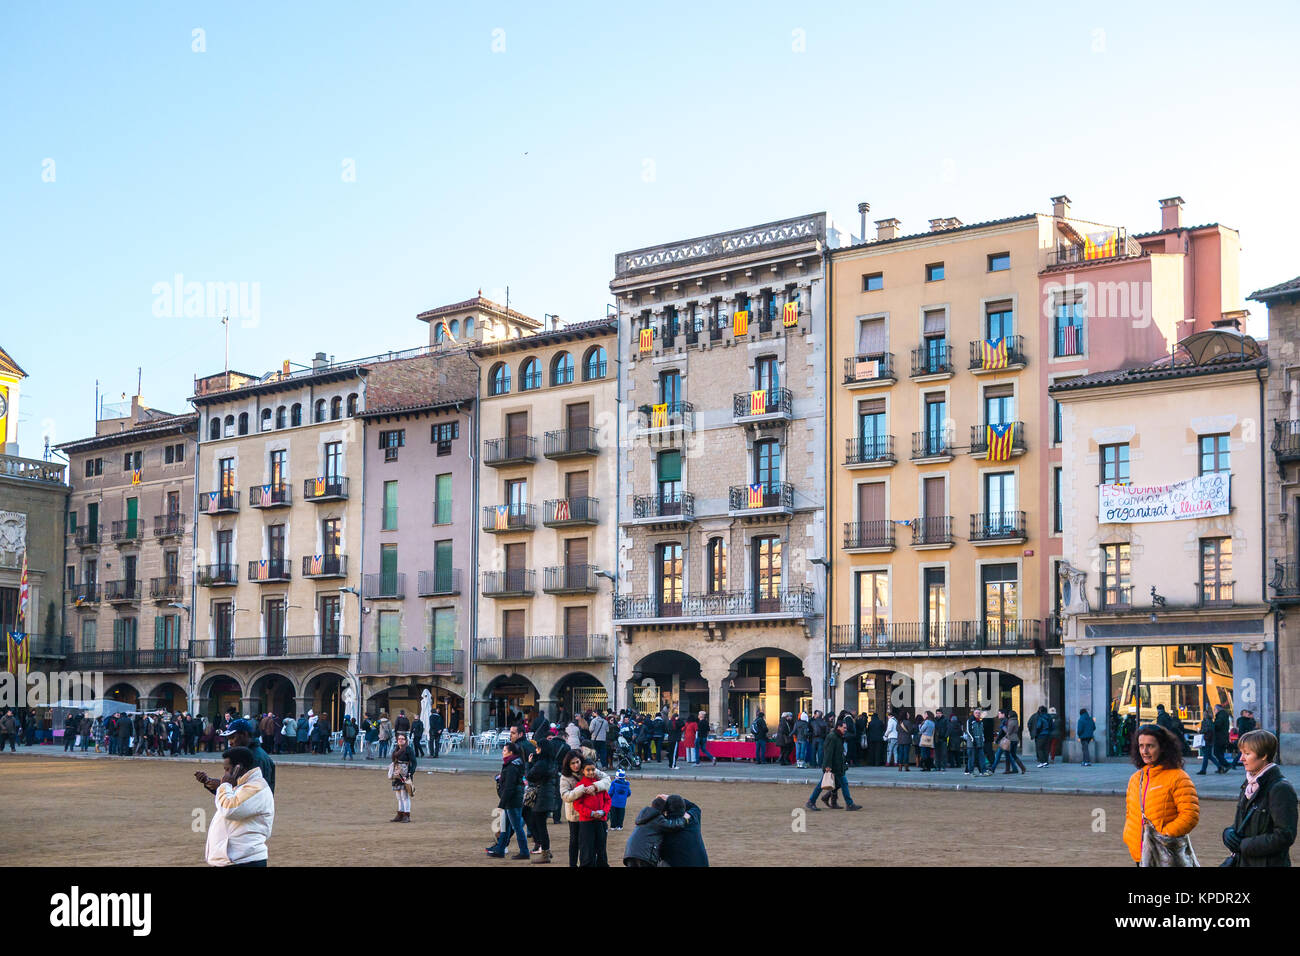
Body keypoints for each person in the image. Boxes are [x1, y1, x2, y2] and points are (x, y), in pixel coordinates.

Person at [1123, 723, 1199, 866]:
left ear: (1163, 747)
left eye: (1150, 746)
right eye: (1141, 746)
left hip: (1166, 855)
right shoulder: (1135, 778)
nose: (1144, 751)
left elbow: (1190, 815)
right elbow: (1130, 812)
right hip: (1139, 853)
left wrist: (1166, 834)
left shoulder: (1178, 777)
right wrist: (1128, 835)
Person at [1222, 730, 1297, 866]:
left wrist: (1244, 845)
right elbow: (1245, 823)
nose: (1241, 759)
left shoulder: (1280, 789)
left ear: (1264, 755)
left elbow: (1285, 835)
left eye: (1247, 753)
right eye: (1242, 753)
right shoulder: (1249, 784)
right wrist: (1229, 833)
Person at [197, 746, 275, 866]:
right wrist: (214, 784)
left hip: (245, 860)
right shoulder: (244, 785)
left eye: (227, 769)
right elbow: (233, 798)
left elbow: (229, 809)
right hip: (237, 859)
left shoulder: (256, 788)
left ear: (238, 768)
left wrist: (225, 785)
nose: (225, 774)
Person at [560, 750, 610, 867]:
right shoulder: (565, 777)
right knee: (575, 841)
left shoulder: (589, 769)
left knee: (591, 843)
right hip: (575, 814)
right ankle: (573, 865)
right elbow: (565, 796)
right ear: (568, 765)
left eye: (577, 762)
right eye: (572, 763)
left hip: (593, 815)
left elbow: (607, 780)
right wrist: (582, 789)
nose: (576, 765)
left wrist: (595, 786)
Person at [805, 719, 862, 811]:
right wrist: (827, 766)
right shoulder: (833, 737)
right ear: (838, 727)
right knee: (840, 783)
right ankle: (849, 804)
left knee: (837, 784)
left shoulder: (838, 736)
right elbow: (828, 752)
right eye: (844, 728)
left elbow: (837, 753)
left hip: (837, 766)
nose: (845, 729)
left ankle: (828, 800)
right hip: (834, 766)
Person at [486, 741, 529, 859]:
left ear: (511, 753)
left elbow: (509, 787)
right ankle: (500, 849)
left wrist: (502, 804)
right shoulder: (513, 764)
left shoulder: (512, 766)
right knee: (506, 827)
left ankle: (524, 851)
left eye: (504, 750)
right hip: (512, 799)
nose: (502, 752)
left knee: (517, 827)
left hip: (512, 800)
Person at [623, 794, 691, 867]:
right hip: (644, 855)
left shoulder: (645, 816)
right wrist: (685, 819)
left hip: (630, 853)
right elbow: (673, 825)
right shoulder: (657, 818)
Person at [213, 718, 276, 792]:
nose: (230, 743)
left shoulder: (255, 758)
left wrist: (223, 786)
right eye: (228, 739)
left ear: (244, 734)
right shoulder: (248, 755)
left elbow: (249, 793)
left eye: (232, 738)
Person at [573, 760, 611, 866]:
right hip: (586, 822)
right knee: (587, 849)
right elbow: (577, 805)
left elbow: (608, 800)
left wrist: (604, 811)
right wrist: (590, 813)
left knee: (601, 848)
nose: (591, 772)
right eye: (588, 770)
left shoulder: (599, 785)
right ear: (583, 771)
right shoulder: (580, 786)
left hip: (601, 821)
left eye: (593, 769)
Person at [524, 739, 556, 863]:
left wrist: (529, 763)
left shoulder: (541, 763)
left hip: (541, 795)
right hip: (546, 794)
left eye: (538, 748)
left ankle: (545, 853)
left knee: (540, 825)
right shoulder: (550, 762)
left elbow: (530, 776)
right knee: (538, 822)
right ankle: (545, 850)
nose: (536, 749)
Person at [658, 794, 709, 867]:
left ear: (666, 810)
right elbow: (694, 807)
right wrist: (668, 797)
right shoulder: (693, 818)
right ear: (684, 806)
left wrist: (660, 806)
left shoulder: (664, 826)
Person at [388, 732, 416, 822]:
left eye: (402, 739)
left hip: (405, 775)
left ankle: (406, 815)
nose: (400, 740)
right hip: (397, 775)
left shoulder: (408, 749)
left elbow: (414, 762)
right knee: (398, 796)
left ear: (406, 740)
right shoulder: (396, 750)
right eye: (399, 739)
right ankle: (400, 814)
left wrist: (410, 773)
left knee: (405, 796)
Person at [965, 709, 990, 776]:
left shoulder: (980, 722)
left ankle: (983, 771)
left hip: (980, 743)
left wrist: (983, 740)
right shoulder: (970, 721)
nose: (977, 714)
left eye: (979, 713)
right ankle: (971, 772)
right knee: (971, 758)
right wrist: (973, 740)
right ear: (973, 714)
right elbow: (968, 731)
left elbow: (982, 732)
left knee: (981, 758)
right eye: (976, 713)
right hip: (972, 744)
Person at [1004, 710, 1027, 774]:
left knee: (1008, 754)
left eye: (1008, 714)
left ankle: (1008, 769)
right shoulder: (1016, 720)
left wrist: (1004, 729)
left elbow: (1009, 731)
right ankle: (1022, 768)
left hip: (1010, 739)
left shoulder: (1011, 721)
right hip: (1015, 739)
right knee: (1013, 754)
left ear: (1010, 715)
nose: (1008, 715)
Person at [1212, 703, 1231, 773]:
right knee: (1221, 753)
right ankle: (1221, 768)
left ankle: (1226, 765)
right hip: (1224, 737)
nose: (1214, 711)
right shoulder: (1225, 715)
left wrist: (1213, 724)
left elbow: (1218, 725)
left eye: (1214, 709)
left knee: (1216, 752)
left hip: (1219, 737)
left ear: (1217, 709)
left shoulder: (1220, 716)